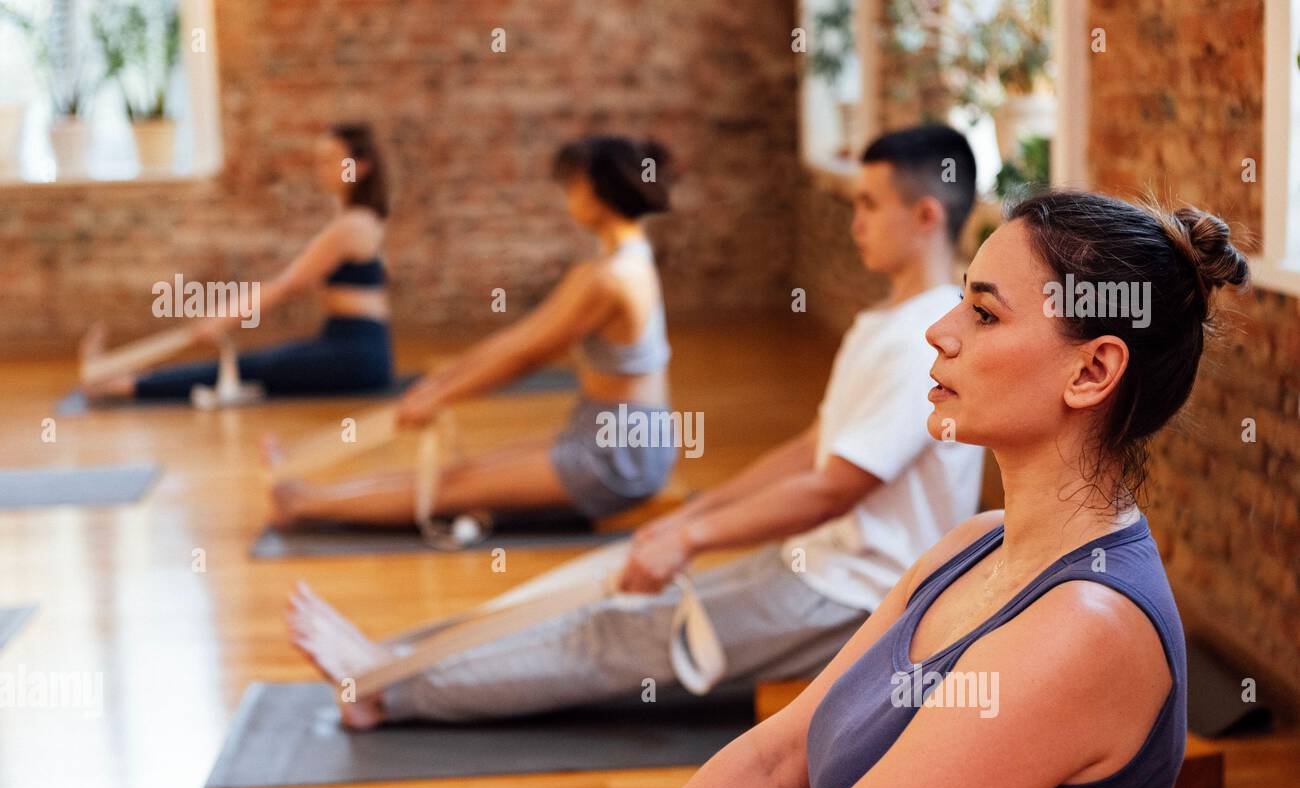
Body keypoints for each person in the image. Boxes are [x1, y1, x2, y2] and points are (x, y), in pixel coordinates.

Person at [607, 191, 1249, 788]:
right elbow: (779, 758)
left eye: (983, 312)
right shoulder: (971, 545)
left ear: (1091, 371)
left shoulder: (1086, 629)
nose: (939, 330)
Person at [287, 124, 987, 731]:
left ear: (925, 215)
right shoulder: (883, 325)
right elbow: (811, 447)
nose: (854, 220)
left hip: (862, 596)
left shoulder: (924, 340)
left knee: (614, 633)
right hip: (821, 565)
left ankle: (385, 692)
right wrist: (696, 512)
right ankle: (388, 661)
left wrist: (689, 535)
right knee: (608, 600)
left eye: (868, 204)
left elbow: (832, 488)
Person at [267, 134, 679, 527]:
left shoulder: (609, 278)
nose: (569, 194)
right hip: (608, 434)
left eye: (573, 183)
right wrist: (440, 383)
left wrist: (442, 397)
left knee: (450, 488)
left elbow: (526, 357)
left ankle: (301, 502)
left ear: (595, 191)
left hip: (621, 455)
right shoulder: (623, 261)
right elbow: (518, 339)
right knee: (461, 474)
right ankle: (304, 492)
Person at [81, 122, 395, 399]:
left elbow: (285, 285)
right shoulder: (356, 220)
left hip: (356, 355)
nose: (321, 169)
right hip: (349, 345)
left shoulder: (351, 226)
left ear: (361, 167)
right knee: (258, 364)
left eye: (331, 160)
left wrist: (222, 318)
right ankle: (118, 380)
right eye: (319, 161)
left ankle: (122, 385)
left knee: (249, 367)